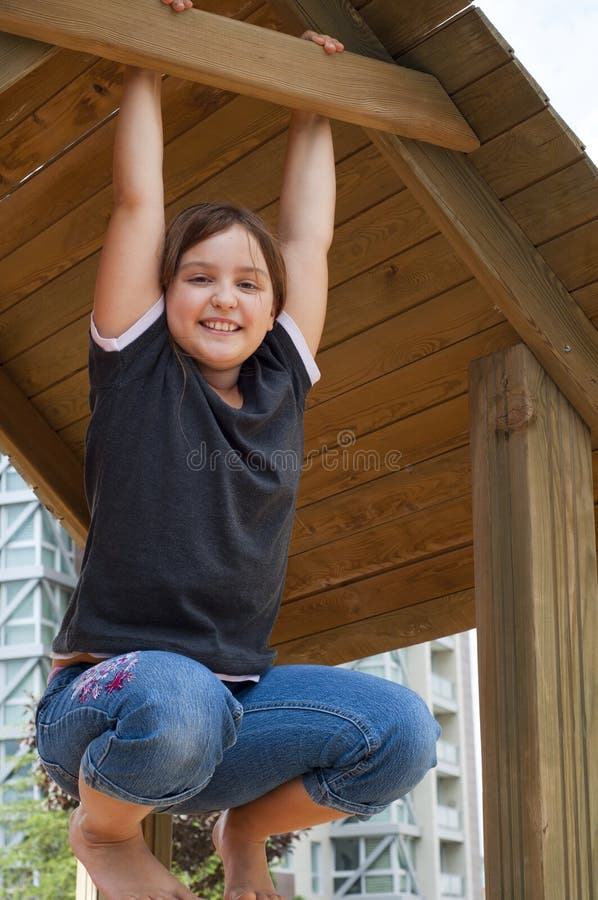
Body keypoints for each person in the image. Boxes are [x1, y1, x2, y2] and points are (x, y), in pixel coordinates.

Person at [35, 7, 441, 900]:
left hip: (227, 718)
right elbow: (138, 201)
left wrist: (312, 105)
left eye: (247, 283)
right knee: (175, 699)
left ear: (271, 308)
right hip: (106, 708)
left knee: (403, 729)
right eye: (199, 277)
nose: (225, 297)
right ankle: (103, 837)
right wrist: (144, 57)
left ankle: (245, 829)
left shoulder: (281, 384)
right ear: (164, 295)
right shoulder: (137, 369)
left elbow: (309, 240)